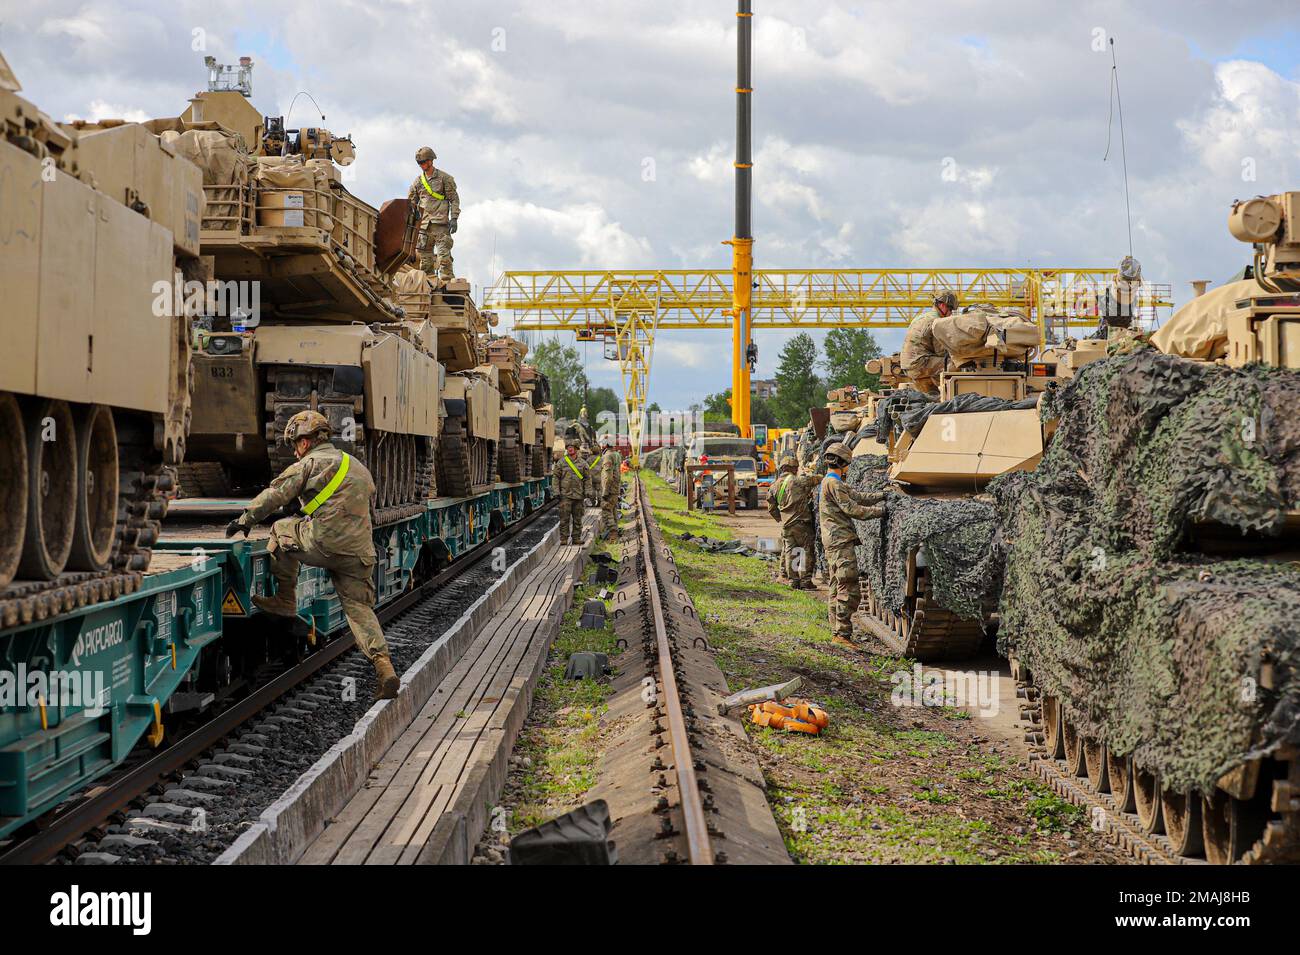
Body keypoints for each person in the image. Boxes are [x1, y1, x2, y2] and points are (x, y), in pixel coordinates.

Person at [225, 411, 399, 700]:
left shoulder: (309, 464)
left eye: (295, 443)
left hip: (322, 546)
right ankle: (384, 668)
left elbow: (276, 495)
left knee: (281, 529)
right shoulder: (357, 466)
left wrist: (245, 519)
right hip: (359, 554)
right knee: (359, 610)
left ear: (305, 442)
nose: (294, 450)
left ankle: (285, 600)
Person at [818, 442, 887, 648]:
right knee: (849, 587)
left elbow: (857, 496)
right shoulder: (834, 484)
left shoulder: (830, 481)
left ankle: (837, 631)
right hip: (840, 541)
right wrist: (881, 511)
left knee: (836, 586)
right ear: (844, 462)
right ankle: (841, 634)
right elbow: (853, 509)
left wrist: (882, 496)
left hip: (834, 540)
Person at [408, 146, 460, 284]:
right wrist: (411, 222)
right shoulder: (418, 181)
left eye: (424, 162)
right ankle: (428, 285)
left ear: (431, 161)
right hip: (424, 226)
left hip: (441, 225)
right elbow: (411, 202)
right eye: (419, 163)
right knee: (425, 260)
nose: (422, 165)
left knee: (444, 257)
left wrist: (454, 218)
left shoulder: (444, 178)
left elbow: (454, 199)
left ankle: (446, 285)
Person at [767, 454, 819, 589]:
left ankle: (793, 581)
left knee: (791, 551)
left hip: (786, 525)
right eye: (795, 468)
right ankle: (806, 581)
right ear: (792, 469)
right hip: (801, 523)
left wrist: (781, 517)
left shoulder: (773, 486)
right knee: (807, 550)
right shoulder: (797, 481)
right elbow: (814, 480)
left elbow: (771, 508)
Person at [901, 290, 957, 395]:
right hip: (920, 364)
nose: (951, 313)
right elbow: (941, 352)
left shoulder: (920, 318)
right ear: (942, 305)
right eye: (950, 309)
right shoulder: (937, 322)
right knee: (956, 365)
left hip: (909, 366)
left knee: (933, 398)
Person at [552, 438, 590, 546]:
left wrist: (588, 490)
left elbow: (587, 478)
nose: (570, 449)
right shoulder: (561, 462)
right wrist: (556, 491)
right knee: (564, 518)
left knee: (577, 519)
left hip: (579, 495)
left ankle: (576, 538)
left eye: (572, 448)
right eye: (568, 448)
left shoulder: (583, 464)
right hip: (565, 495)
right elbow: (555, 477)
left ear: (577, 449)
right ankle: (564, 538)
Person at [597, 435, 622, 540]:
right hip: (615, 487)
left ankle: (613, 534)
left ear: (606, 444)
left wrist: (605, 492)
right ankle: (616, 530)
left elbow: (608, 476)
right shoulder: (616, 455)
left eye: (602, 443)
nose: (601, 445)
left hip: (610, 489)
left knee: (606, 510)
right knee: (613, 509)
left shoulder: (607, 456)